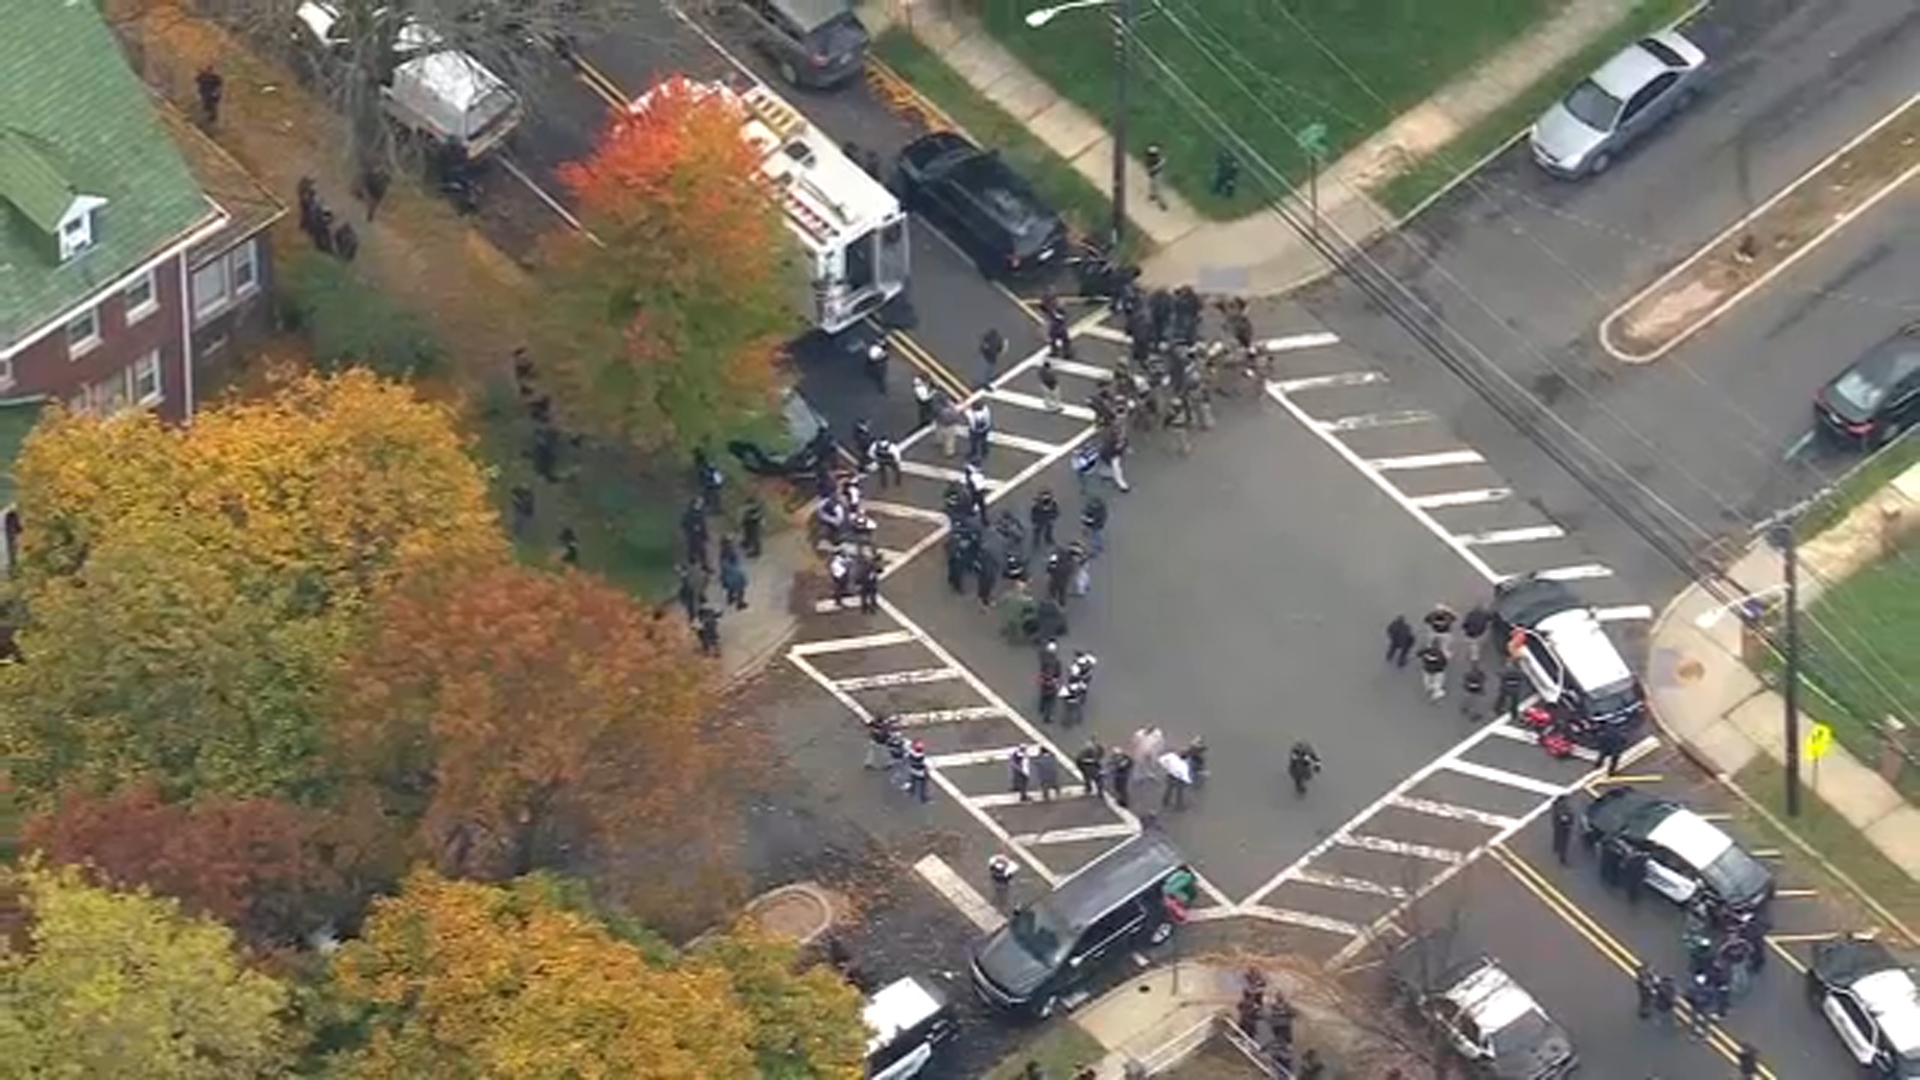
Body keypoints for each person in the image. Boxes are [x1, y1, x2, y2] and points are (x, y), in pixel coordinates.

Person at [718, 537, 749, 610]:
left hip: (727, 574)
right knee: (740, 589)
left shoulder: (722, 553)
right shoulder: (730, 551)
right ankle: (740, 603)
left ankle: (730, 599)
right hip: (735, 573)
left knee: (731, 588)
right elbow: (735, 562)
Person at [1037, 642, 1063, 724]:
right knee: (1051, 702)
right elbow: (1058, 674)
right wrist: (1057, 683)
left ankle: (1041, 708)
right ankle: (1047, 717)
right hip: (1052, 683)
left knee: (1043, 696)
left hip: (1044, 681)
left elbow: (1042, 670)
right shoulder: (1057, 662)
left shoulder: (1044, 660)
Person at [1550, 795, 1575, 864]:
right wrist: (1569, 821)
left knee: (1557, 836)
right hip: (1563, 828)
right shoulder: (1562, 810)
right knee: (1564, 843)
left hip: (1557, 825)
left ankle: (1556, 847)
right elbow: (1565, 819)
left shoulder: (1556, 806)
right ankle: (1562, 859)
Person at [1143, 143, 1167, 208]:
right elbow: (1149, 167)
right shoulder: (1149, 160)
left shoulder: (1158, 160)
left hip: (1157, 175)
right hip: (1153, 174)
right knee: (1152, 185)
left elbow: (1160, 165)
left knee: (1159, 189)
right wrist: (1151, 170)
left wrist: (1154, 169)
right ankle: (1153, 195)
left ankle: (1163, 204)